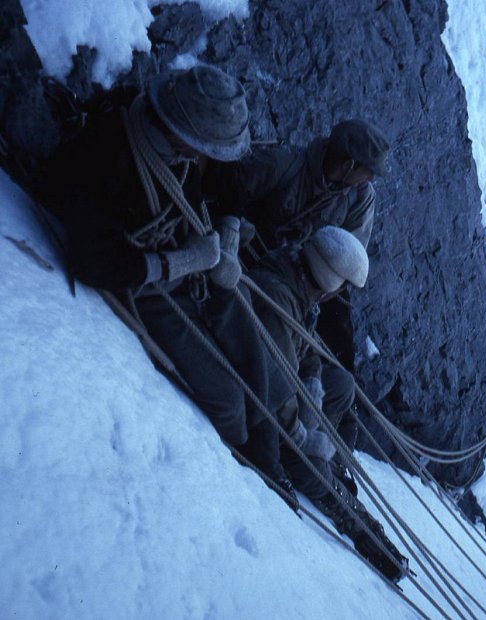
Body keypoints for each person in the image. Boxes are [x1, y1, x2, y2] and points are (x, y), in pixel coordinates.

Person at [52, 64, 293, 493]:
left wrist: (228, 238)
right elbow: (92, 259)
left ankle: (267, 449)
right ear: (188, 136)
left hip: (182, 266)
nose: (210, 159)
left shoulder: (179, 147)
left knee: (246, 335)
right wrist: (180, 262)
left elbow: (223, 185)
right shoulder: (111, 152)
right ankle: (245, 465)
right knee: (228, 401)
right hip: (144, 285)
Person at [249, 226, 407, 582]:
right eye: (342, 284)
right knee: (312, 467)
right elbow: (275, 387)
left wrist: (314, 380)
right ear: (329, 277)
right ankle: (364, 534)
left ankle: (324, 463)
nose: (342, 293)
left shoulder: (299, 279)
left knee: (342, 384)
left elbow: (308, 345)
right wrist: (306, 439)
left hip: (286, 398)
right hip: (268, 416)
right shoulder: (280, 297)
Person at [204, 118, 390, 372]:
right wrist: (233, 227)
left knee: (337, 328)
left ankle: (330, 384)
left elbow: (350, 261)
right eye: (367, 173)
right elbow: (231, 183)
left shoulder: (360, 198)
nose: (368, 181)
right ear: (348, 165)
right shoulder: (286, 165)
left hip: (313, 275)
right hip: (261, 261)